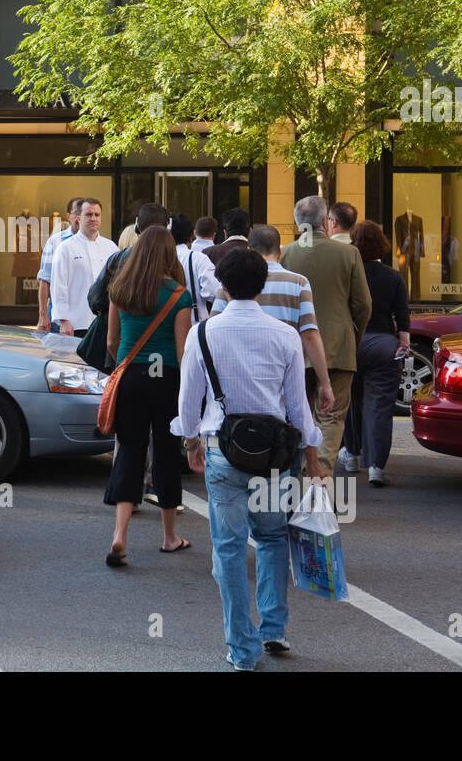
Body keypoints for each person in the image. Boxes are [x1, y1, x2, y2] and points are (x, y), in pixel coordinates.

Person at [176, 248, 324, 670]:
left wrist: (191, 443)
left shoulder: (203, 334)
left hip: (223, 451)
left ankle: (242, 650)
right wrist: (311, 456)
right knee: (275, 538)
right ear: (262, 285)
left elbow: (188, 403)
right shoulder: (284, 335)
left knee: (228, 548)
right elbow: (298, 408)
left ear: (221, 284)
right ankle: (273, 628)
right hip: (276, 456)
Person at [103, 226, 194, 566]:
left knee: (130, 450)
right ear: (170, 254)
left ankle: (119, 534)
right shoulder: (178, 294)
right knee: (167, 454)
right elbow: (184, 351)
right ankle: (170, 537)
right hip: (166, 378)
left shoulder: (121, 289)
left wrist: (127, 362)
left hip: (130, 376)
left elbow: (111, 341)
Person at [280, 196, 372, 477]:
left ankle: (298, 473)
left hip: (295, 346)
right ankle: (321, 472)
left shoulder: (286, 254)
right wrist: (353, 334)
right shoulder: (349, 254)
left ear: (298, 223)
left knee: (298, 414)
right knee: (331, 417)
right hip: (338, 345)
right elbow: (363, 305)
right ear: (325, 222)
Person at [247, 224, 335, 419]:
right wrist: (325, 383)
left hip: (243, 373)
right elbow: (310, 335)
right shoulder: (298, 283)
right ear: (279, 252)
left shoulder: (233, 281)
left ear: (249, 251)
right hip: (286, 375)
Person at [348, 220, 410, 486]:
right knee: (379, 406)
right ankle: (376, 466)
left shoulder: (348, 273)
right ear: (382, 243)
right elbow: (403, 315)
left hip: (349, 343)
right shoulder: (393, 276)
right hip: (383, 343)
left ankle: (350, 454)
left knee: (348, 400)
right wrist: (403, 343)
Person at [50, 199, 117, 337]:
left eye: (97, 215)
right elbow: (58, 286)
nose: (93, 218)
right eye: (89, 214)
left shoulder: (111, 247)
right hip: (76, 322)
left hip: (105, 322)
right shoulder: (65, 248)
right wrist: (63, 320)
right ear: (79, 218)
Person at [35, 197, 82, 332]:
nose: (79, 218)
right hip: (59, 314)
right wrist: (43, 315)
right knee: (57, 352)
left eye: (82, 213)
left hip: (88, 315)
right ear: (68, 216)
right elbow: (45, 279)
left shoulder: (98, 244)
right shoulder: (55, 241)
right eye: (76, 213)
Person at [171, 213, 218, 324]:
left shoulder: (158, 258)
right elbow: (213, 292)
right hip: (194, 322)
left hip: (164, 325)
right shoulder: (198, 259)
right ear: (191, 234)